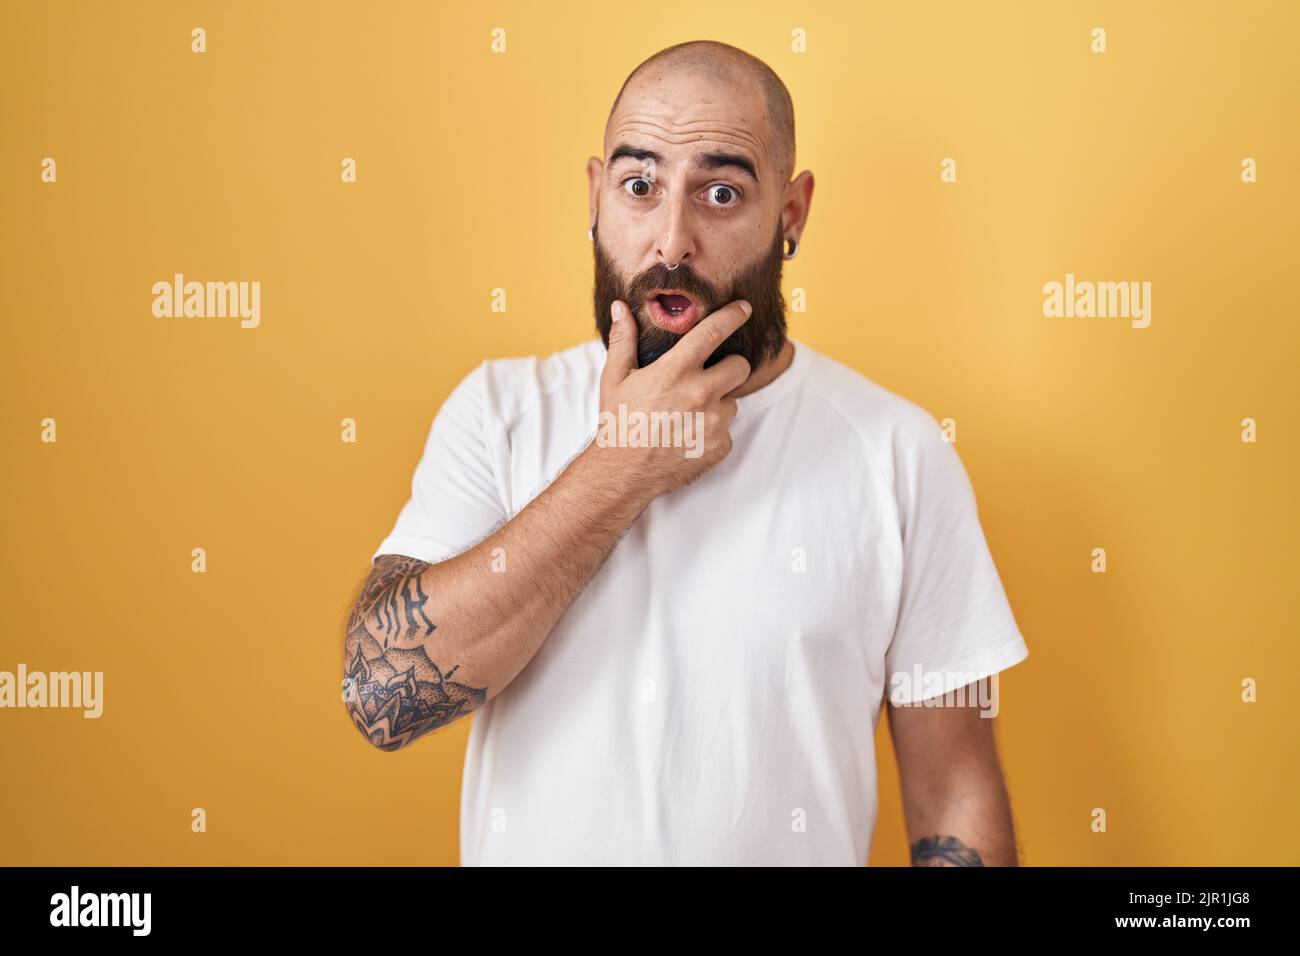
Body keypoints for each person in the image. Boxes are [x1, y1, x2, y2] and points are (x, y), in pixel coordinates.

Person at [341, 39, 1029, 866]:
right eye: (640, 186)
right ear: (596, 198)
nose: (673, 241)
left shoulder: (898, 454)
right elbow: (381, 697)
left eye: (721, 192)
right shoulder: (497, 412)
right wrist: (619, 469)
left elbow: (954, 790)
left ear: (791, 215)